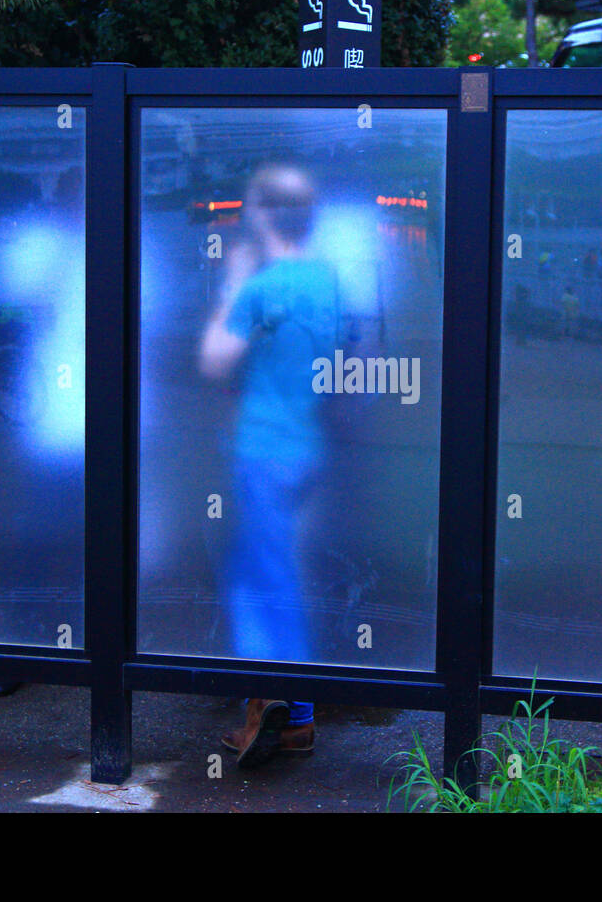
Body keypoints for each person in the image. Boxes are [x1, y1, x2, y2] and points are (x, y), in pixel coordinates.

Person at [198, 163, 339, 768]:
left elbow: (213, 360)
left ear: (264, 216)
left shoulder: (263, 286)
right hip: (308, 448)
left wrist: (233, 281)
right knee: (279, 569)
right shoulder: (326, 281)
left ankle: (267, 706)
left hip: (265, 449)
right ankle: (299, 716)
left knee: (260, 578)